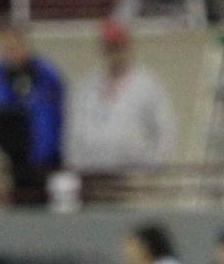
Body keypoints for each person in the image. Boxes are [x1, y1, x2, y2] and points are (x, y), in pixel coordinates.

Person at [0, 28, 65, 204]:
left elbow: (47, 120)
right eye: (7, 48)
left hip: (45, 161)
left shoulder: (44, 74)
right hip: (15, 159)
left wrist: (42, 159)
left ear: (26, 47)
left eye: (15, 47)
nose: (11, 53)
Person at [68, 19, 177, 178]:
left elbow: (165, 131)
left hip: (131, 177)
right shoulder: (87, 86)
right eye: (110, 47)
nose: (115, 52)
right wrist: (75, 167)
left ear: (129, 47)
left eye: (119, 46)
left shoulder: (147, 85)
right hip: (91, 176)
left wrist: (151, 169)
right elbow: (73, 132)